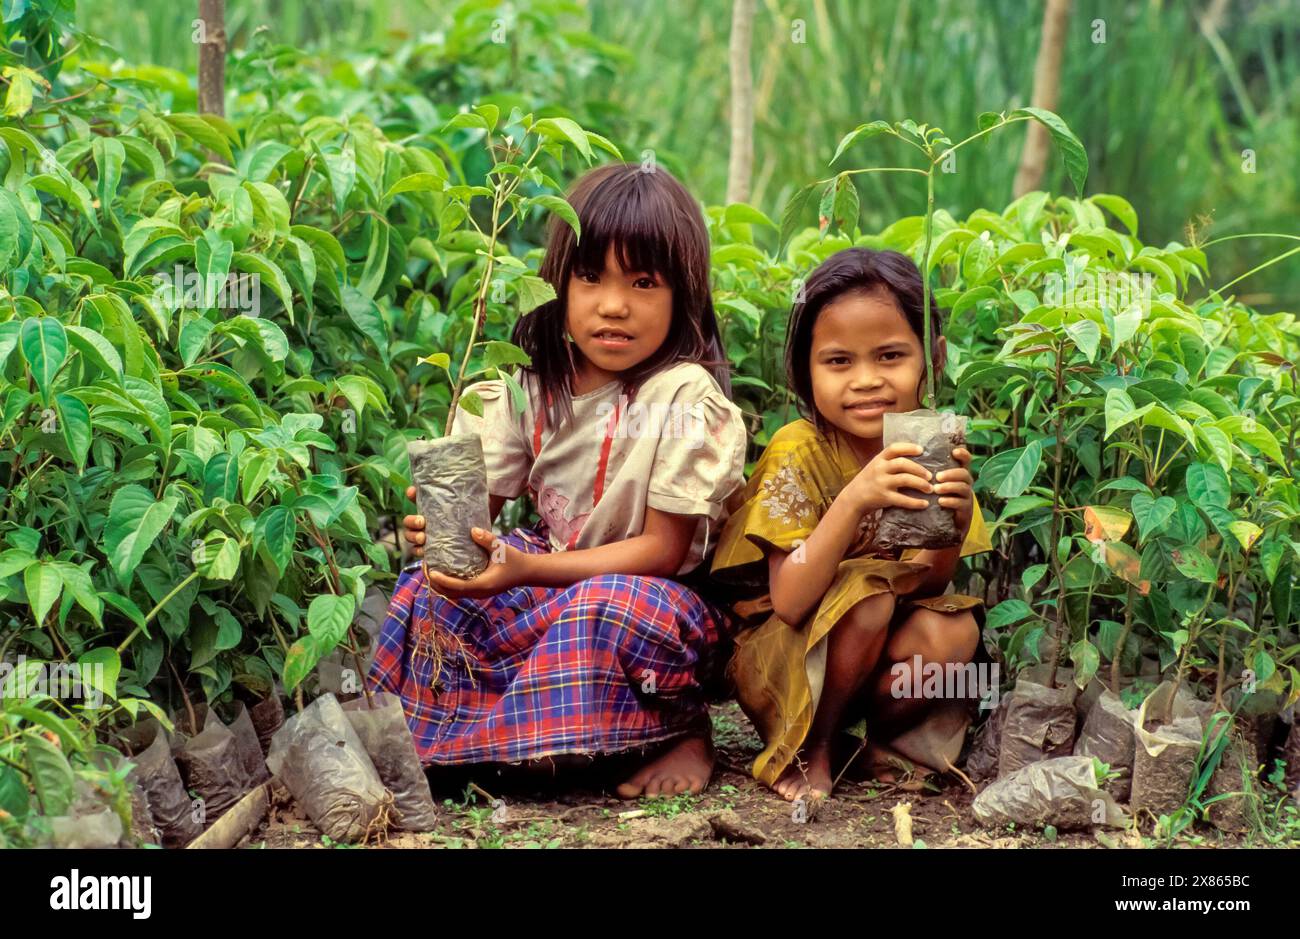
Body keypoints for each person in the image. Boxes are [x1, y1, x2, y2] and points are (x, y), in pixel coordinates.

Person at [369, 162, 748, 798]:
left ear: (683, 294)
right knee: (423, 594)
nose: (613, 305)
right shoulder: (533, 385)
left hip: (659, 604)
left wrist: (523, 570)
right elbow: (475, 521)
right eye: (590, 276)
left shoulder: (682, 395)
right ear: (557, 283)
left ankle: (678, 729)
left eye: (644, 282)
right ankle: (515, 743)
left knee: (608, 607)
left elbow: (661, 552)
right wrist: (442, 537)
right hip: (552, 584)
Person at [711, 247, 994, 803]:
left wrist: (954, 528)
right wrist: (855, 500)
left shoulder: (929, 443)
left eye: (890, 356)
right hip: (785, 658)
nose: (866, 380)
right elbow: (790, 601)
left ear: (932, 358)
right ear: (804, 369)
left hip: (871, 655)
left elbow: (929, 586)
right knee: (867, 597)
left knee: (953, 631)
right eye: (838, 361)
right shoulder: (800, 446)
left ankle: (861, 742)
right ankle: (809, 744)